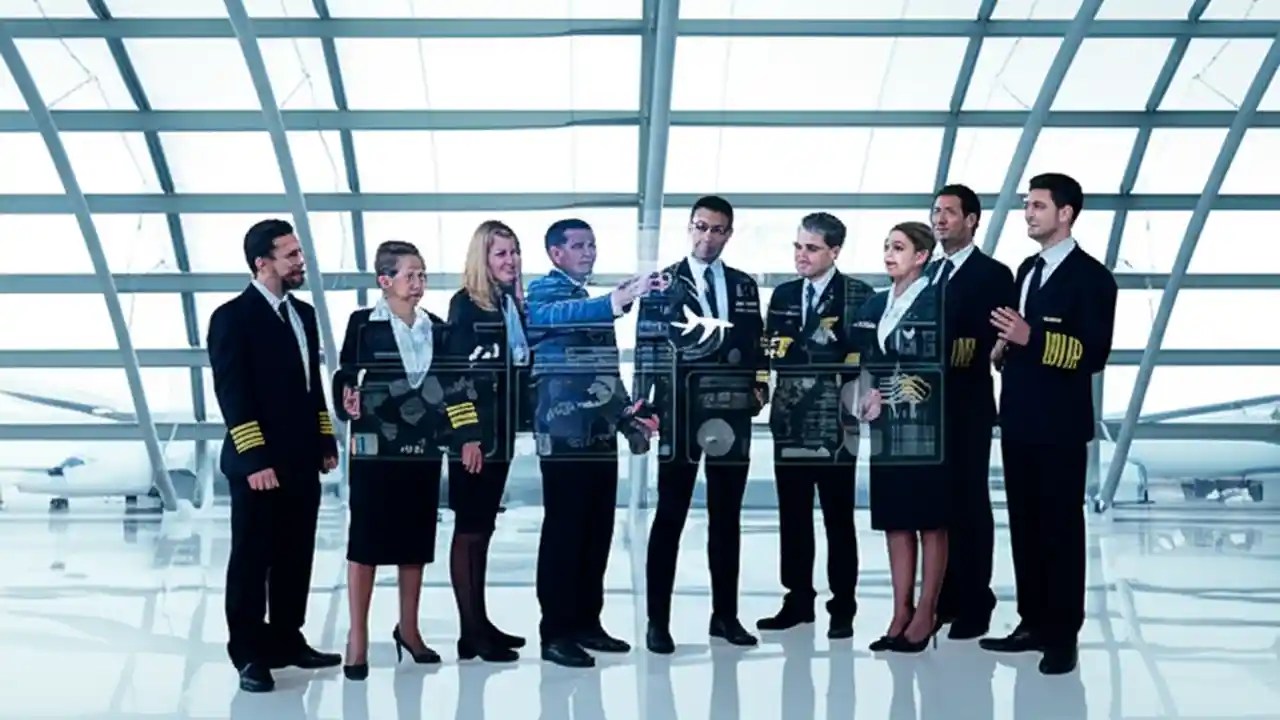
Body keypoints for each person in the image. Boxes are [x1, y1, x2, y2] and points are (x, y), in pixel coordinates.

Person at [980, 172, 1118, 675]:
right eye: (1027, 205)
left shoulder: (1092, 278)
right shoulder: (1028, 269)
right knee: (1025, 526)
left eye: (1038, 205)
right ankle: (1032, 622)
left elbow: (1093, 354)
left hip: (1060, 425)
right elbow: (1021, 335)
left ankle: (1063, 635)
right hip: (1019, 418)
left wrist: (1029, 338)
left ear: (1066, 213)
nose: (1028, 213)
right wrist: (1005, 348)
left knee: (1060, 529)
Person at [331, 240, 483, 679]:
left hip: (422, 447)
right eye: (409, 275)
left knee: (415, 539)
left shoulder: (438, 329)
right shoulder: (363, 324)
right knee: (366, 540)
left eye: (422, 274)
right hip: (375, 447)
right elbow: (345, 373)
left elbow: (456, 386)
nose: (418, 282)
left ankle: (409, 629)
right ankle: (358, 637)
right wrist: (346, 396)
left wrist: (468, 436)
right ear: (385, 281)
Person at [206, 218, 342, 693]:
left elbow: (311, 383)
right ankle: (248, 653)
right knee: (252, 558)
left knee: (295, 553)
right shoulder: (232, 317)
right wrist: (254, 458)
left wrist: (325, 439)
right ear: (262, 262)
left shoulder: (302, 314)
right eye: (291, 255)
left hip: (301, 458)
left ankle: (287, 638)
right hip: (258, 463)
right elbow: (232, 393)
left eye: (300, 253)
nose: (300, 262)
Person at [634, 195, 768, 654]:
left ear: (728, 233)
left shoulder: (744, 285)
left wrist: (761, 388)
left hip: (732, 414)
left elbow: (758, 342)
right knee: (670, 516)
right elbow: (647, 348)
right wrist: (642, 405)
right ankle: (657, 621)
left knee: (726, 517)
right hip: (679, 412)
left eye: (717, 229)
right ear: (689, 228)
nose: (707, 236)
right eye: (700, 226)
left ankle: (725, 616)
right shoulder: (662, 284)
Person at [525, 218, 660, 668]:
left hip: (598, 433)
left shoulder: (590, 301)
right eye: (579, 245)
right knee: (565, 531)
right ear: (556, 253)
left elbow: (606, 373)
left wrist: (626, 419)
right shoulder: (545, 292)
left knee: (597, 530)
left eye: (592, 245)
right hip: (563, 434)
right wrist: (614, 302)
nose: (589, 252)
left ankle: (587, 622)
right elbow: (551, 317)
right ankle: (555, 631)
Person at [757, 212, 873, 639]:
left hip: (836, 424)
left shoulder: (858, 295)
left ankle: (843, 606)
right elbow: (772, 349)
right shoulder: (784, 295)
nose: (801, 255)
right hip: (790, 421)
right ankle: (798, 599)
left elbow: (862, 354)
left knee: (838, 518)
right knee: (793, 516)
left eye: (811, 248)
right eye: (798, 246)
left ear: (834, 251)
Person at [852, 221, 949, 654]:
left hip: (926, 423)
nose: (889, 255)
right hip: (886, 427)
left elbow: (937, 366)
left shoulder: (936, 299)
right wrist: (867, 392)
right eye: (886, 247)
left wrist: (886, 394)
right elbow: (865, 361)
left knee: (929, 517)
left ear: (921, 256)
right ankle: (900, 610)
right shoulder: (876, 303)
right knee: (895, 517)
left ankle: (927, 610)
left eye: (898, 247)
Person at [928, 184, 1016, 640]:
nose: (940, 219)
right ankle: (944, 595)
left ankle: (976, 600)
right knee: (937, 503)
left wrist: (943, 356)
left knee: (969, 502)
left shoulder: (993, 274)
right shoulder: (928, 272)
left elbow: (989, 340)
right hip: (929, 408)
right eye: (936, 211)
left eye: (949, 212)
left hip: (967, 404)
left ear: (972, 220)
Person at [443, 220, 530, 663]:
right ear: (483, 258)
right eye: (501, 253)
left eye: (514, 252)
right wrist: (468, 436)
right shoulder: (466, 305)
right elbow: (455, 376)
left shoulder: (508, 303)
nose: (511, 261)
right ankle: (470, 632)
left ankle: (480, 624)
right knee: (470, 530)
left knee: (483, 529)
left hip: (500, 434)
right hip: (475, 438)